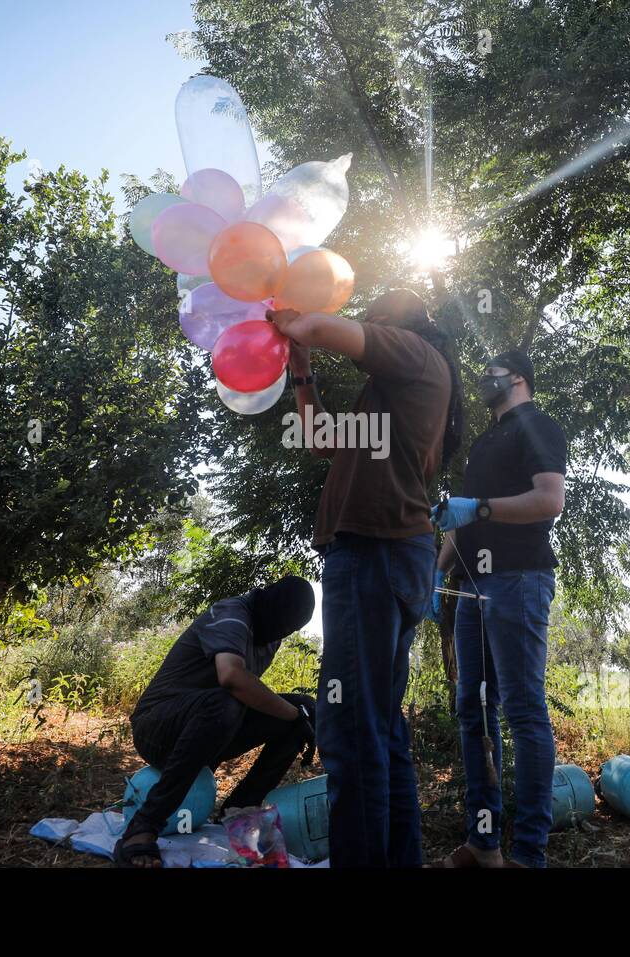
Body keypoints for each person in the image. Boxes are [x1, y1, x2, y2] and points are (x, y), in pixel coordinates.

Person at [267, 289, 463, 867]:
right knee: (379, 728)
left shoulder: (417, 356)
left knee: (350, 728)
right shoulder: (388, 394)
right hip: (385, 560)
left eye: (375, 317)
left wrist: (293, 321)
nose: (367, 324)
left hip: (376, 556)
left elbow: (330, 329)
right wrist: (302, 374)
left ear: (394, 323)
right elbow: (320, 439)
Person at [430, 349, 567, 868]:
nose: (484, 379)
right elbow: (465, 520)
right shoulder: (484, 442)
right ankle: (483, 844)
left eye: (493, 372)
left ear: (519, 378)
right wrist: (438, 571)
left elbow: (549, 500)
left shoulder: (539, 426)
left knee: (523, 709)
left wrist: (480, 507)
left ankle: (529, 855)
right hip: (471, 585)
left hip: (520, 579)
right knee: (473, 710)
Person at [116, 575, 317, 868]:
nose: (281, 634)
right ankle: (144, 826)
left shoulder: (272, 636)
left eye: (290, 630)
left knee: (303, 708)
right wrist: (293, 715)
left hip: (209, 723)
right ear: (266, 605)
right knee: (234, 700)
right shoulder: (232, 613)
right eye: (282, 625)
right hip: (156, 727)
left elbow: (252, 699)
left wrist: (299, 716)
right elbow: (231, 677)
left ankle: (237, 812)